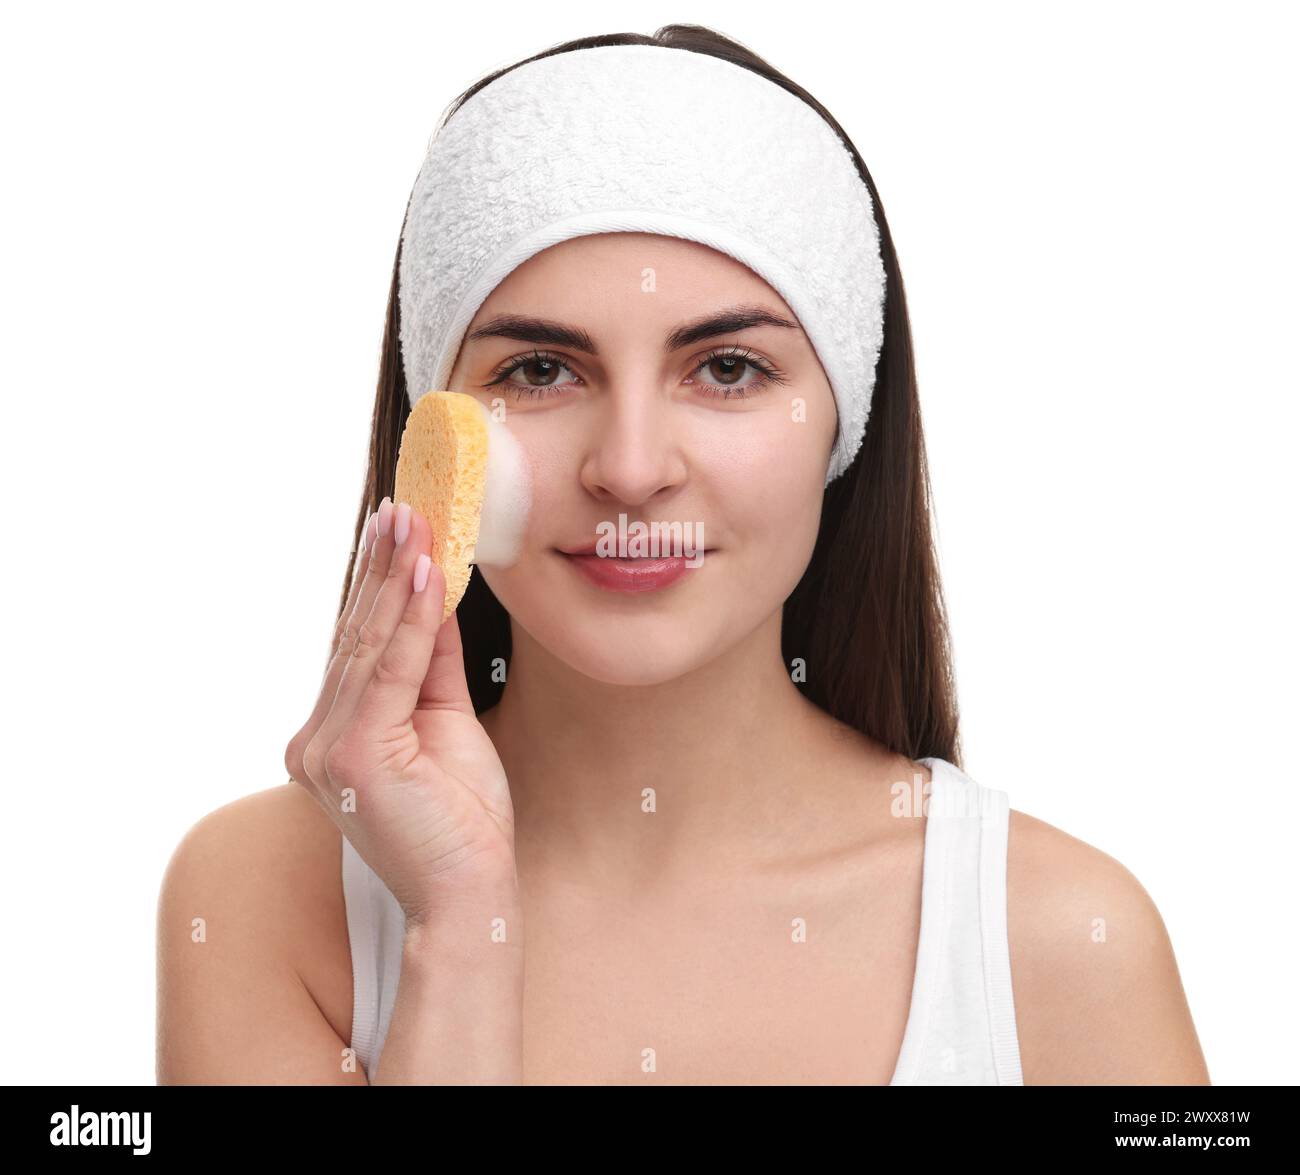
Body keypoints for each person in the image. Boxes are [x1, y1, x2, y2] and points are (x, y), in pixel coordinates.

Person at [156, 24, 1210, 1085]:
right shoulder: (260, 897)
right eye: (537, 368)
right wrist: (460, 930)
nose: (628, 467)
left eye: (729, 367)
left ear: (843, 425)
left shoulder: (1066, 945)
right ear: (439, 443)